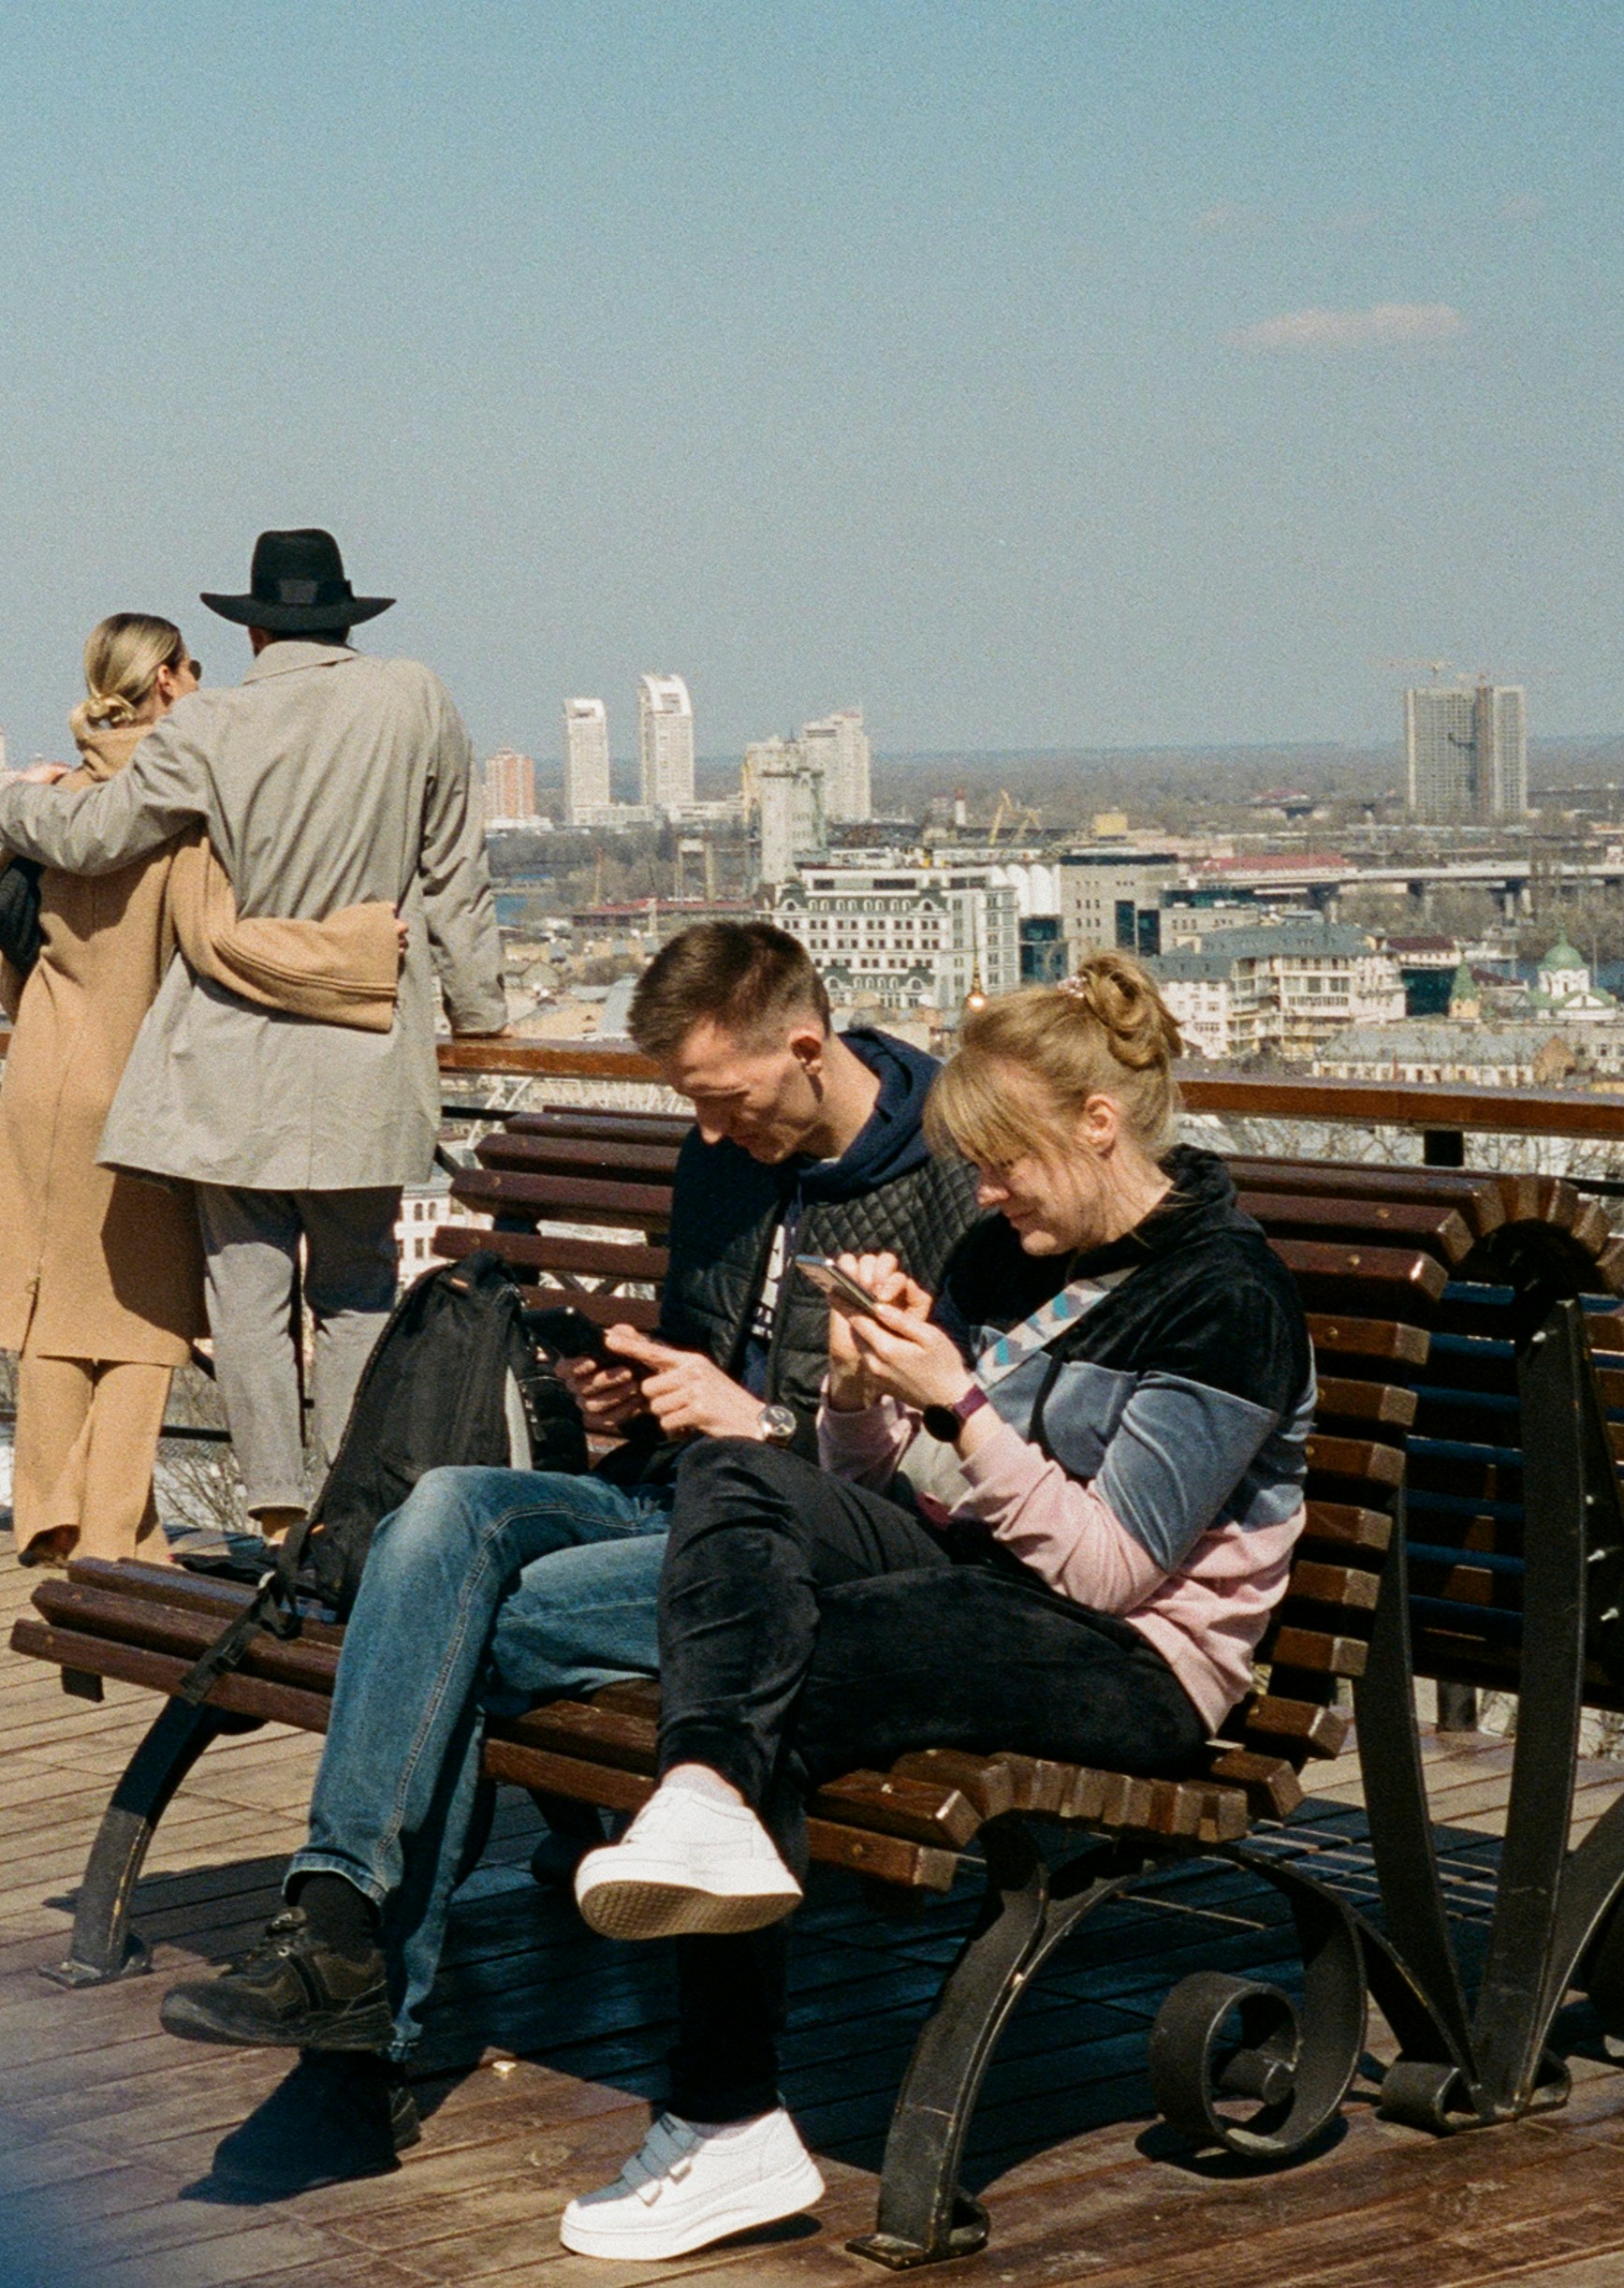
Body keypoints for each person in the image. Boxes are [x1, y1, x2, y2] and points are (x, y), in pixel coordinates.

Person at [153, 923, 984, 2150]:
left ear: (806, 1048)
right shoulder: (725, 1162)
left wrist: (758, 1422)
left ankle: (358, 2037)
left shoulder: (952, 1182)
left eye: (726, 1100)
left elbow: (950, 1469)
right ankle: (333, 1922)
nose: (709, 1132)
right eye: (691, 1105)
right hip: (677, 1493)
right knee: (438, 1514)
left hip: (808, 1547)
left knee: (449, 1624)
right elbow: (700, 1358)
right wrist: (605, 1393)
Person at [552, 954, 1319, 2261]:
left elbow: (1114, 1570)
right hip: (985, 1587)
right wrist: (861, 1395)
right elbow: (893, 1492)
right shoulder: (1005, 1252)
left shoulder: (1225, 1299)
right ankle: (701, 1805)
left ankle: (726, 2117)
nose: (984, 1189)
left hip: (1137, 1665)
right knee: (740, 1474)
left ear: (1099, 1124)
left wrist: (961, 1400)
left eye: (1004, 1158)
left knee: (775, 1684)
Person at [0, 530, 503, 1539]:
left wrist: (10, 806)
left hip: (232, 1055)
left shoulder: (211, 721)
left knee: (248, 1291)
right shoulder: (415, 698)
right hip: (365, 1046)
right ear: (347, 618)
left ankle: (276, 1510)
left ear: (252, 626)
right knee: (354, 1293)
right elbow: (451, 875)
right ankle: (354, 1507)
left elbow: (93, 838)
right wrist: (479, 1017)